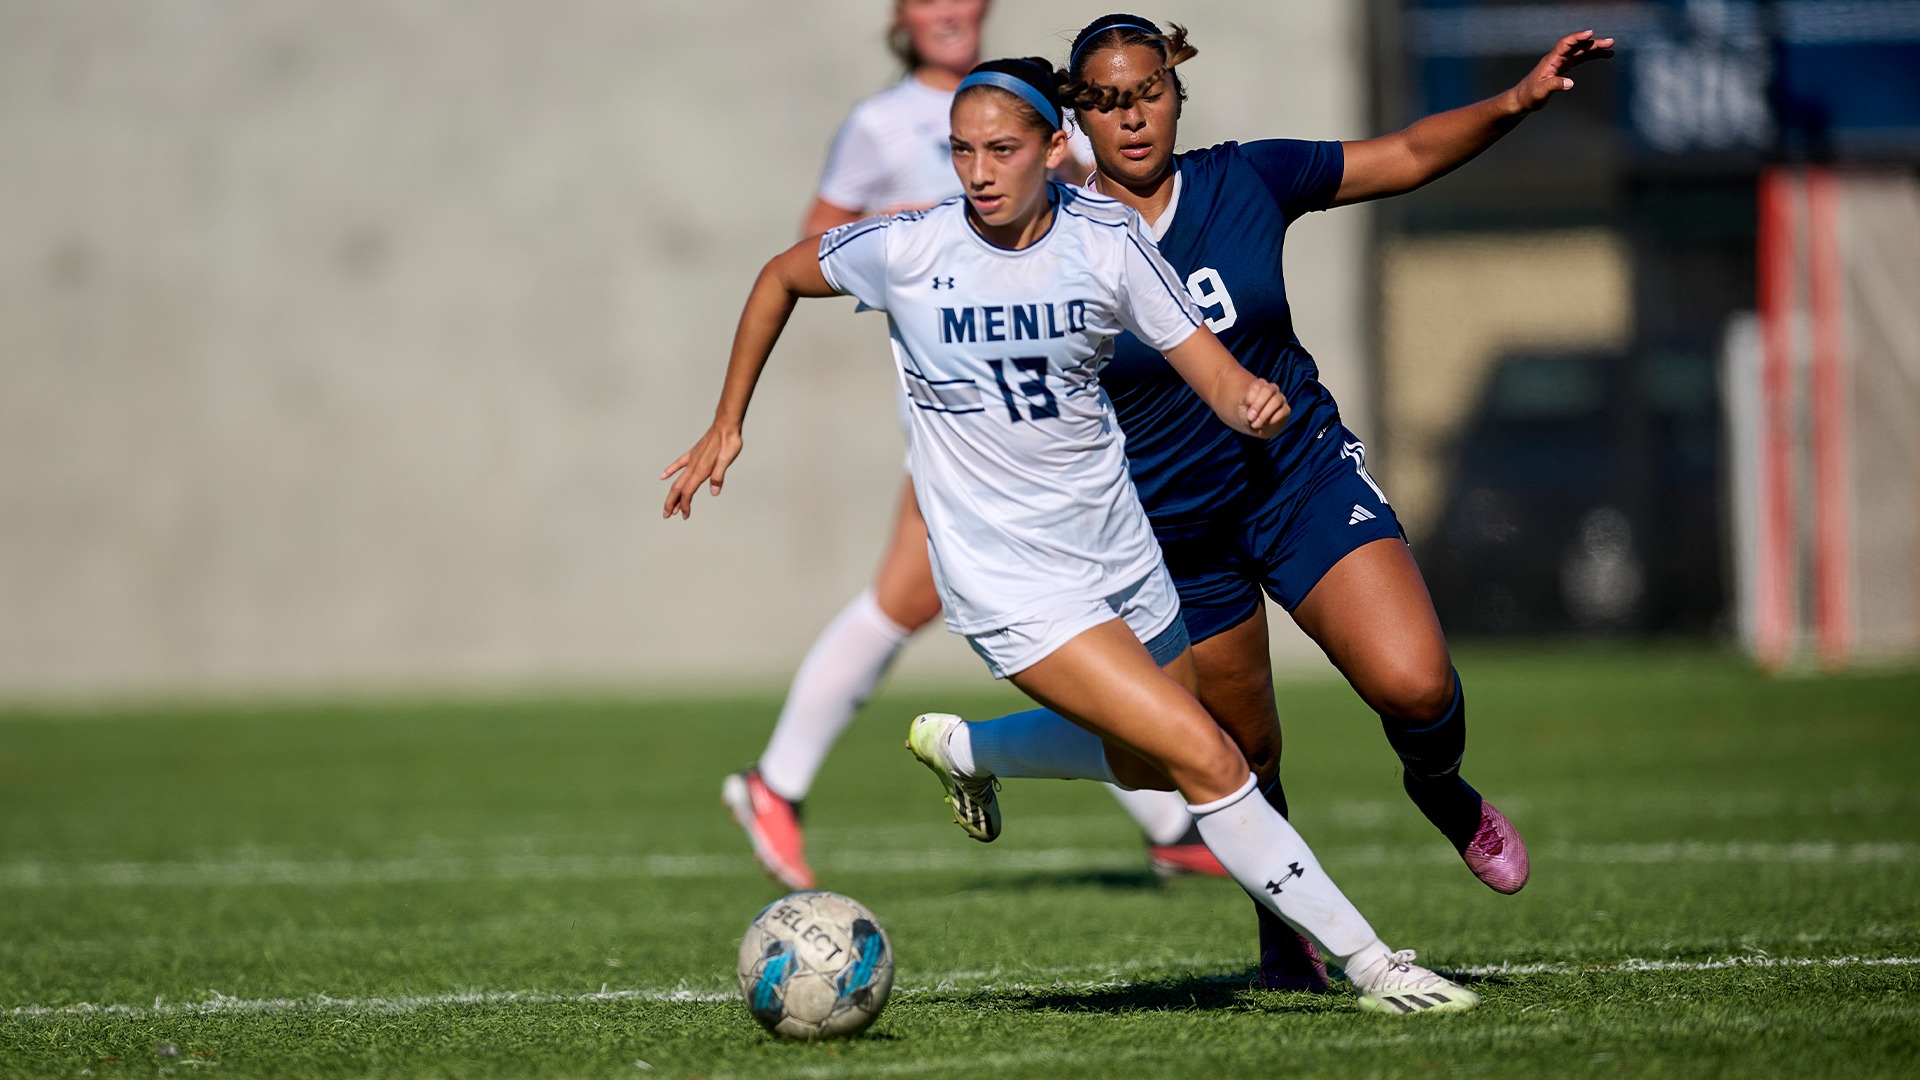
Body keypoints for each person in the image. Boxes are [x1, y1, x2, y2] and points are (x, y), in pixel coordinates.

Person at [666, 57, 1479, 1015]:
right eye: (961, 150)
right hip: (1008, 579)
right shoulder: (909, 248)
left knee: (1156, 759)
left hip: (1124, 554)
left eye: (1001, 149)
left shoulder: (1106, 241)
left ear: (1055, 149)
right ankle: (1375, 965)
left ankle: (974, 751)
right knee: (1209, 758)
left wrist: (1249, 402)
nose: (977, 171)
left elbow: (1204, 364)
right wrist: (729, 419)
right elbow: (778, 277)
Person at [918, 15, 1614, 990]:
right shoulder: (1046, 239)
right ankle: (1283, 942)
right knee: (1242, 752)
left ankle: (1443, 790)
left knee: (1415, 684)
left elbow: (1407, 153)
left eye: (1148, 91)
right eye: (1108, 99)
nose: (1133, 116)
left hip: (1298, 481)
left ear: (1176, 90)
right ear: (1076, 115)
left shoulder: (1244, 178)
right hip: (1174, 543)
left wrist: (1518, 99)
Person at [722, 0, 1215, 892]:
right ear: (901, 15)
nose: (948, 10)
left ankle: (1163, 808)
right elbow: (811, 248)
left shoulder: (1037, 108)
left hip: (1047, 407)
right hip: (964, 416)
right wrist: (939, 242)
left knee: (936, 603)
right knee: (915, 599)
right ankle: (778, 781)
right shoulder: (881, 124)